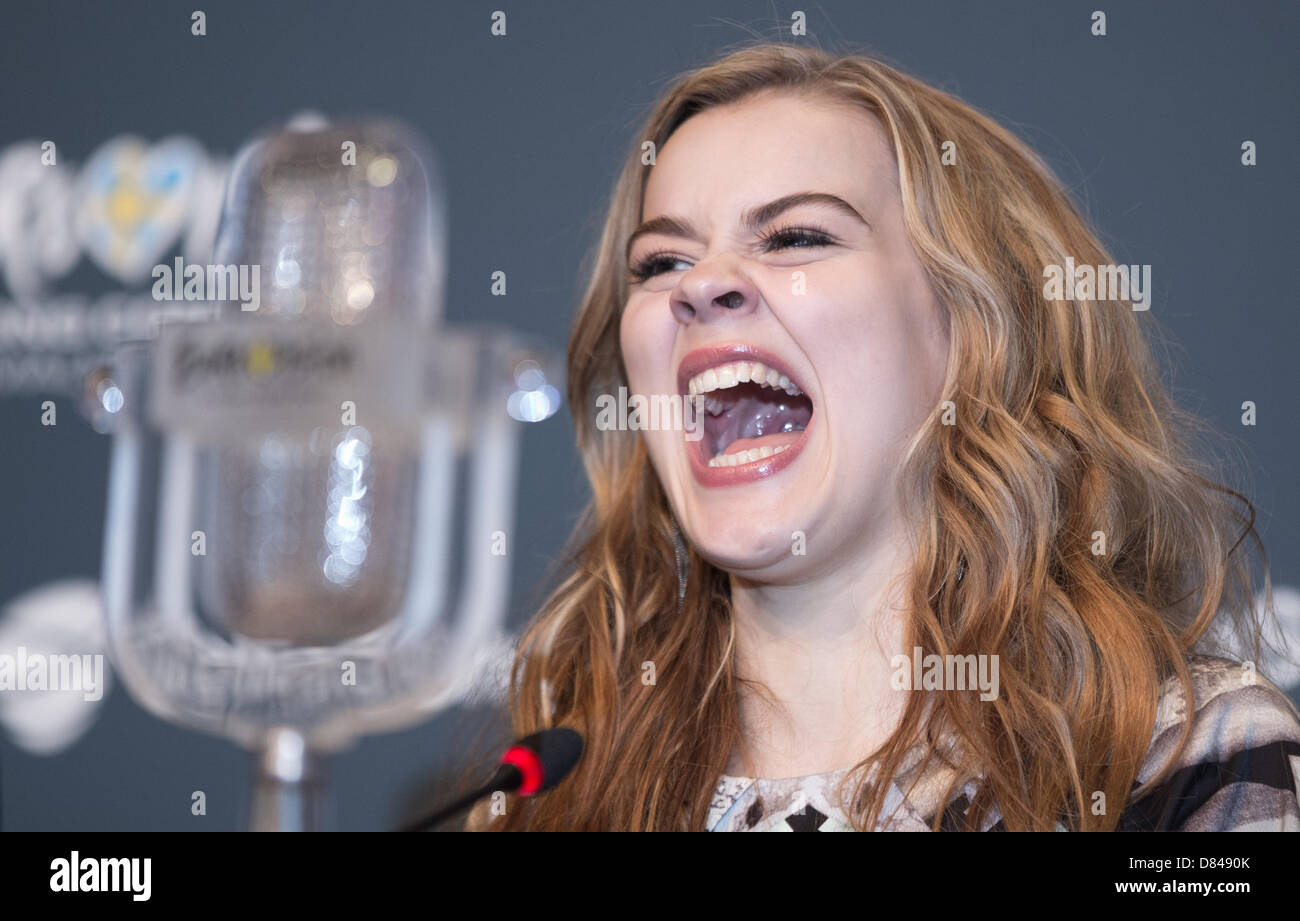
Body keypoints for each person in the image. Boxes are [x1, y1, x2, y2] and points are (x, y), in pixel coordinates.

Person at [468, 41, 1300, 831]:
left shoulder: (1181, 759)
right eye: (660, 262)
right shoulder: (556, 788)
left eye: (796, 236)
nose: (703, 284)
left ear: (978, 328)